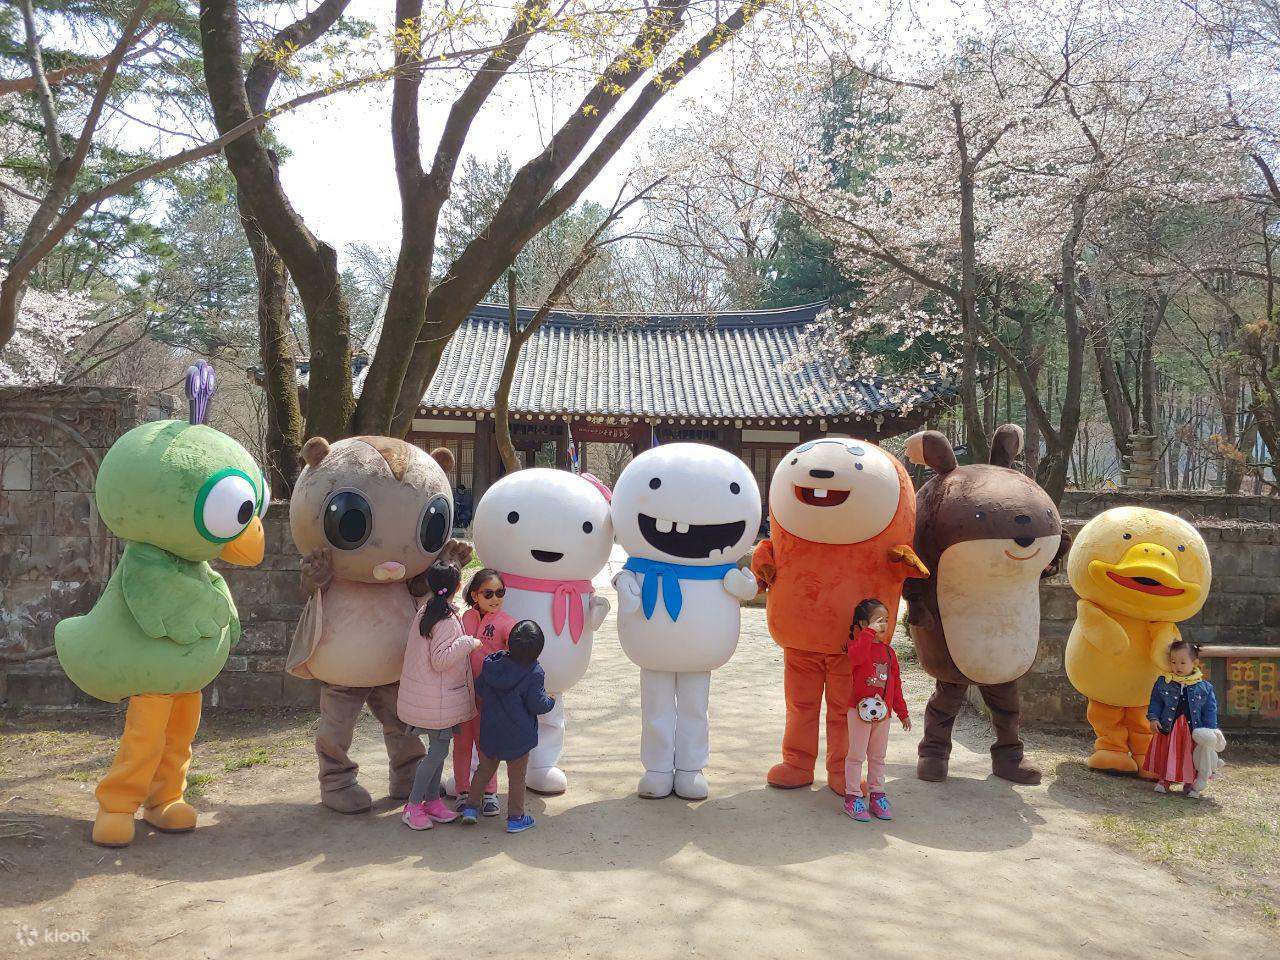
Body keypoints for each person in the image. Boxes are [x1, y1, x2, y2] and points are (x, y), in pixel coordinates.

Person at [397, 562, 482, 830]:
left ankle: (432, 801)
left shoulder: (428, 611)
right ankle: (413, 806)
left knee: (439, 751)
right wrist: (467, 642)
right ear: (458, 586)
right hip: (439, 699)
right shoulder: (444, 619)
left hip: (431, 697)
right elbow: (441, 660)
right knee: (436, 753)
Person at [461, 620, 556, 833]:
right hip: (518, 737)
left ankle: (470, 808)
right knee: (517, 777)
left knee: (484, 770)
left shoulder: (492, 664)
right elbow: (537, 704)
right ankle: (516, 818)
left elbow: (480, 689)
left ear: (509, 643)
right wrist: (551, 700)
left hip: (491, 731)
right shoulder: (534, 672)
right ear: (538, 650)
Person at [456, 568, 516, 814]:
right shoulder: (464, 619)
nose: (495, 598)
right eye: (488, 593)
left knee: (487, 746)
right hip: (462, 694)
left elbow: (518, 657)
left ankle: (490, 793)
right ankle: (462, 791)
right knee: (462, 745)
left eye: (500, 592)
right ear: (475, 595)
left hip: (490, 698)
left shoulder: (508, 623)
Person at [845, 598, 911, 822]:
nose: (884, 624)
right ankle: (852, 797)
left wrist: (902, 712)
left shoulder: (890, 653)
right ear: (864, 624)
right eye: (878, 620)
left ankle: (877, 795)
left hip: (883, 715)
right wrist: (868, 634)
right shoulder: (858, 646)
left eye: (887, 620)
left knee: (878, 757)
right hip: (858, 713)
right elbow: (856, 658)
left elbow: (896, 685)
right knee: (856, 755)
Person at [1145, 640, 1220, 797]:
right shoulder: (1163, 682)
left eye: (1182, 662)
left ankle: (1190, 782)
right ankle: (1165, 779)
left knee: (1190, 755)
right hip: (1169, 727)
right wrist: (1153, 718)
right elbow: (1156, 702)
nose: (1177, 666)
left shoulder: (1205, 687)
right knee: (1167, 752)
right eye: (1173, 662)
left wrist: (1210, 731)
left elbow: (1210, 710)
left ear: (1195, 663)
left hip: (1192, 730)